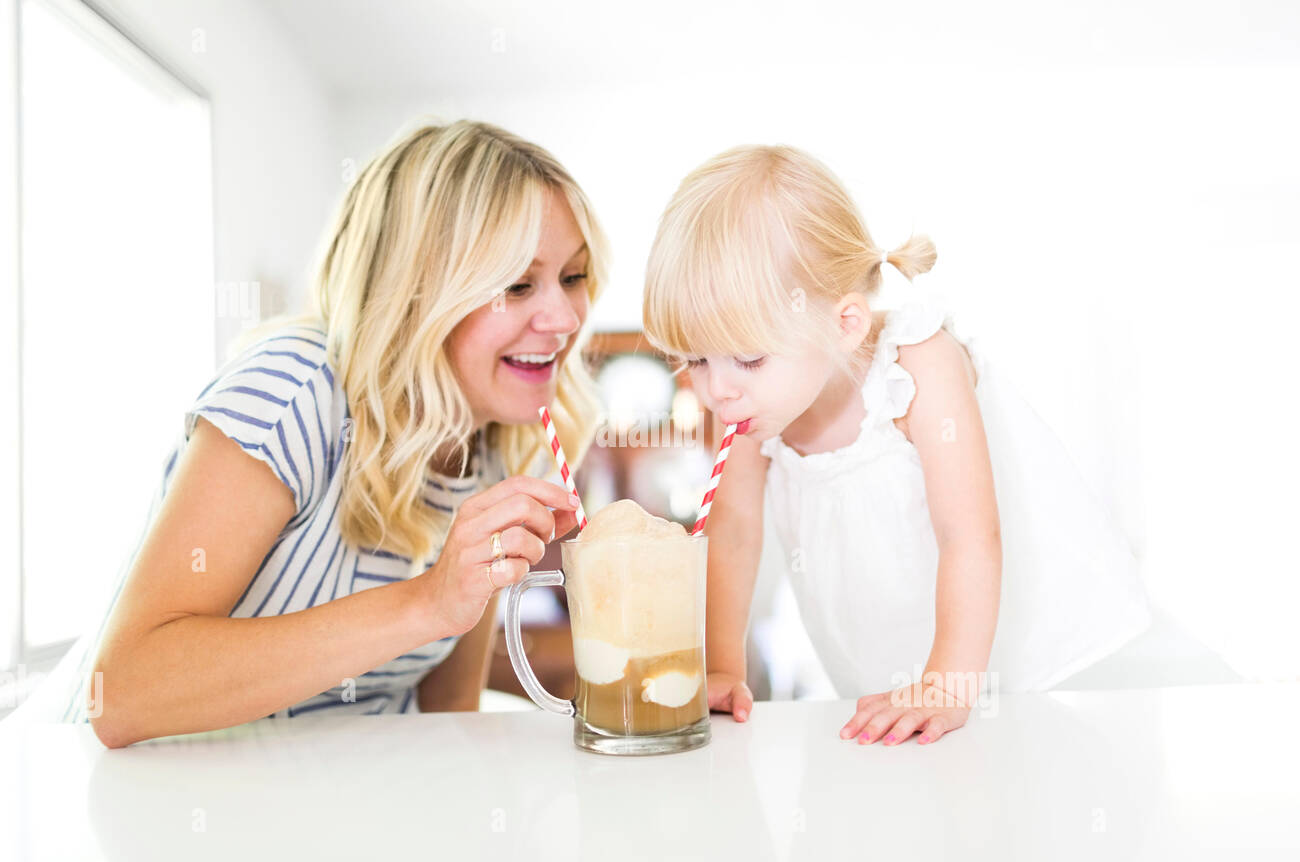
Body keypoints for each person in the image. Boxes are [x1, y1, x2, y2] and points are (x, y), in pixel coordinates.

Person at [61, 119, 610, 747]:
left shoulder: (511, 448)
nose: (566, 317)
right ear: (415, 292)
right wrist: (427, 602)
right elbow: (126, 690)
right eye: (517, 284)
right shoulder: (294, 391)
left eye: (574, 276)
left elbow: (448, 711)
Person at [642, 143, 1151, 746]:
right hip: (893, 675)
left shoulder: (918, 366)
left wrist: (947, 685)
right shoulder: (757, 412)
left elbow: (970, 534)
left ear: (845, 322)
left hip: (1029, 666)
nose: (716, 389)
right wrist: (721, 667)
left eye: (748, 358)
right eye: (694, 360)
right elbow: (731, 533)